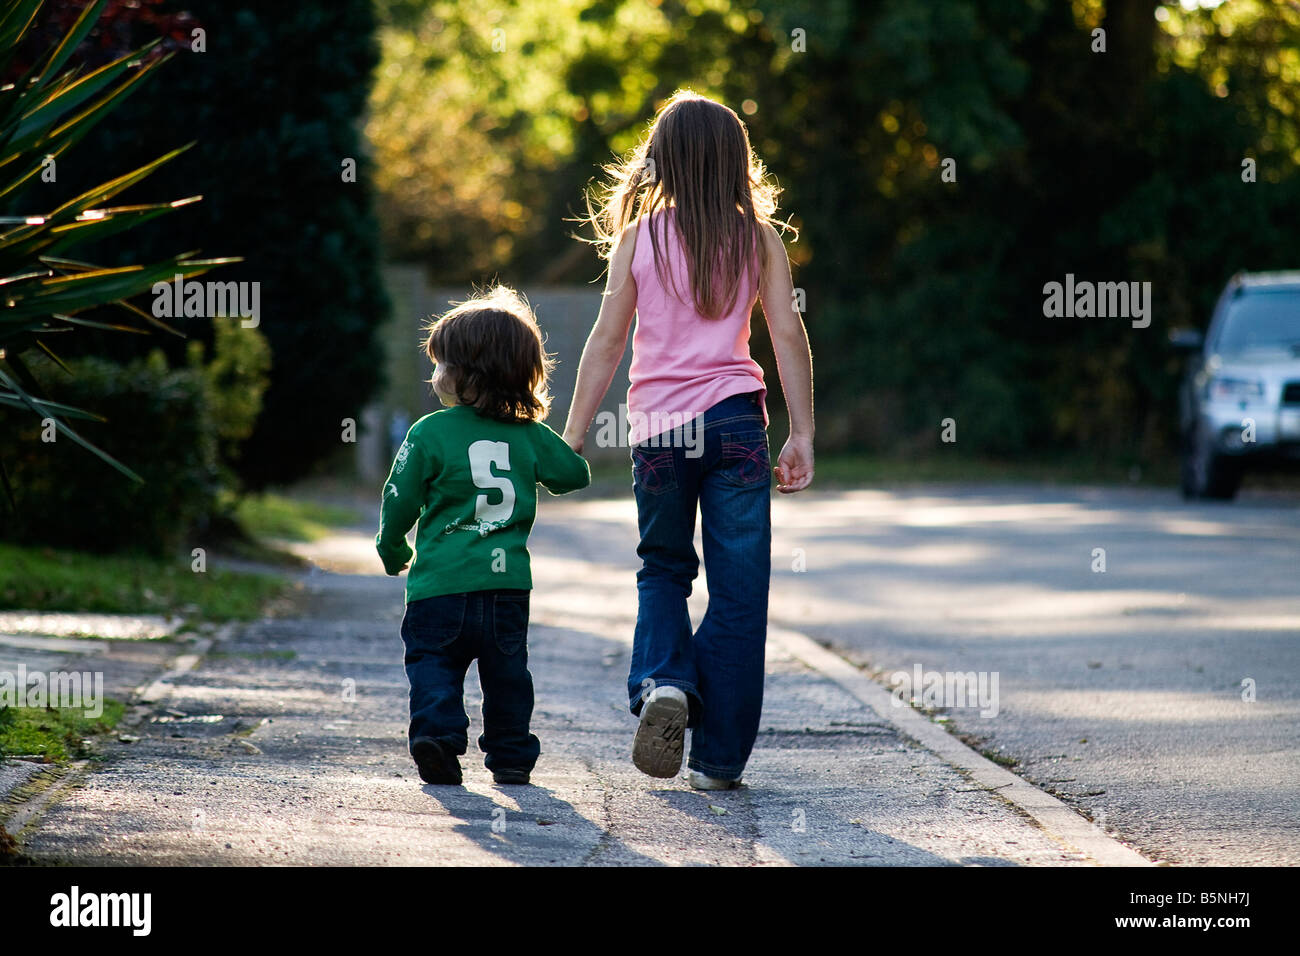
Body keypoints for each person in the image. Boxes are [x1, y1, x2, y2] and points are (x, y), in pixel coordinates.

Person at [562, 90, 815, 790]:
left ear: (661, 161)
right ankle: (719, 760)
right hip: (737, 423)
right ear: (736, 161)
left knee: (665, 569)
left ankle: (667, 682)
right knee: (740, 592)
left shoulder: (639, 238)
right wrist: (803, 434)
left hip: (661, 431)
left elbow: (609, 340)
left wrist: (572, 437)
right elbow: (788, 335)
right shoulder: (758, 238)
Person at [377, 285, 590, 786]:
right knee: (508, 675)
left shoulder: (429, 433)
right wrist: (552, 440)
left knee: (433, 663)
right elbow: (573, 475)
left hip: (439, 587)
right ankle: (512, 755)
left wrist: (391, 545)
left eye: (440, 364)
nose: (435, 375)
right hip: (506, 589)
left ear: (464, 374)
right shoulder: (529, 435)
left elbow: (399, 496)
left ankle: (437, 737)